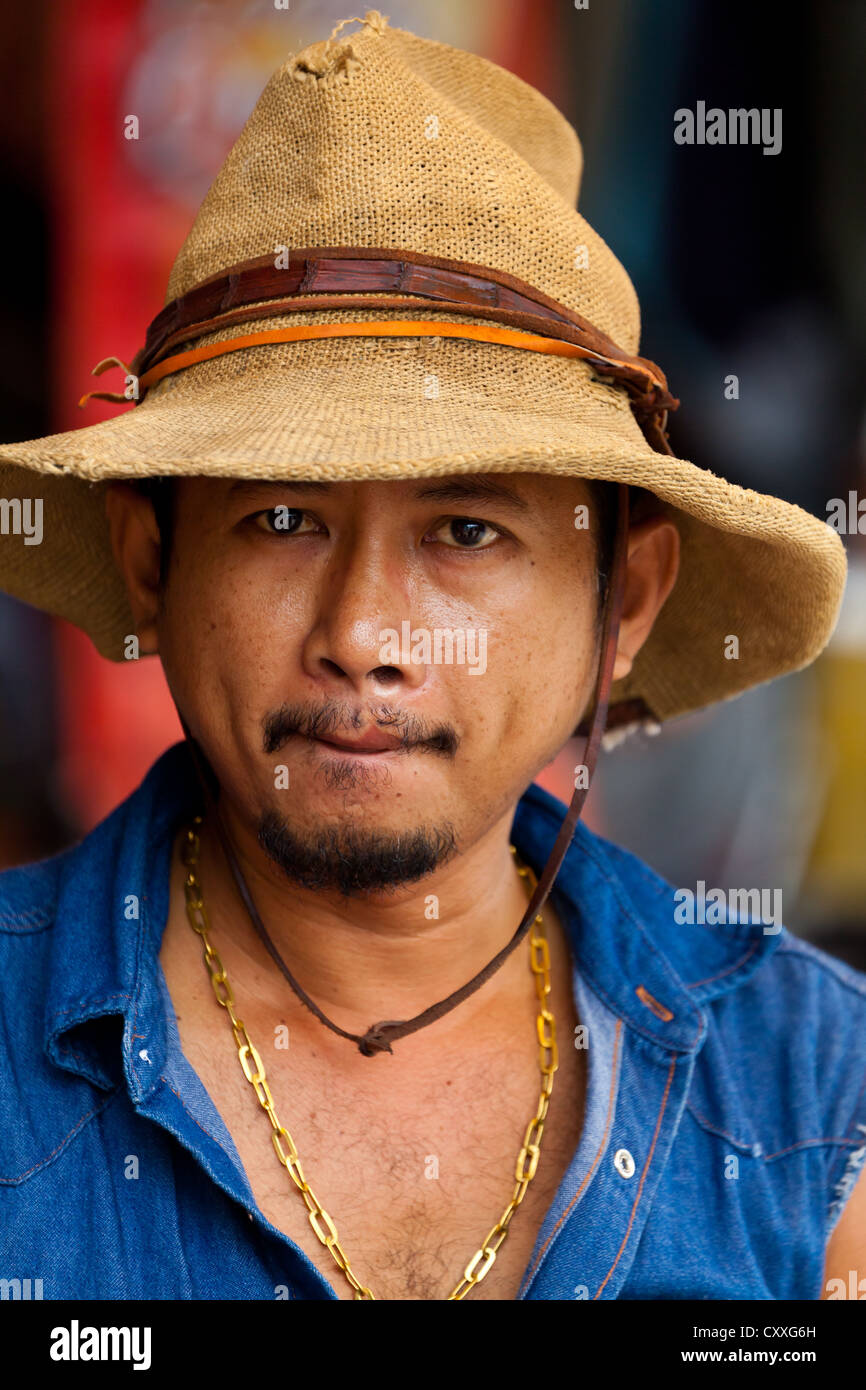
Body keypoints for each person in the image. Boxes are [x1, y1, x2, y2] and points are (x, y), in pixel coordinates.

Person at [0, 10, 863, 1302]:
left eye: (465, 530)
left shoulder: (819, 1106)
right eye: (282, 519)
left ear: (617, 599)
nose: (363, 634)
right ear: (149, 565)